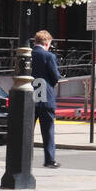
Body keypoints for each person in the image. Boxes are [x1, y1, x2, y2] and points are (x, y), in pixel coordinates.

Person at [31, 30, 60, 169]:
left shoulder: (27, 55)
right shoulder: (49, 56)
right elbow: (55, 77)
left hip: (30, 97)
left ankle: (26, 157)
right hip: (45, 97)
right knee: (48, 131)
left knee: (27, 130)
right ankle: (49, 159)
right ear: (47, 43)